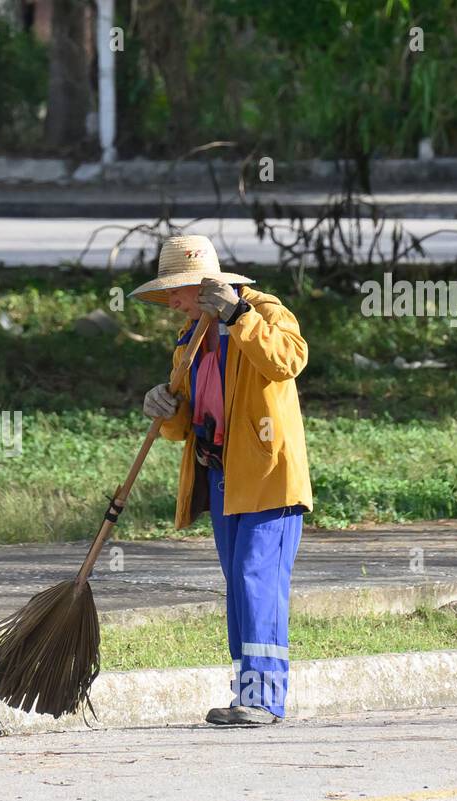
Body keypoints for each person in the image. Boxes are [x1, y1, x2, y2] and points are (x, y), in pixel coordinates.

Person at [131, 235, 313, 726]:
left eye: (176, 290)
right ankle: (246, 694)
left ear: (202, 283)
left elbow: (288, 361)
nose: (170, 301)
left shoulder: (263, 310)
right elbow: (182, 418)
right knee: (238, 584)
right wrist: (161, 406)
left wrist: (238, 317)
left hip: (267, 474)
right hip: (220, 472)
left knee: (258, 579)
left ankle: (266, 700)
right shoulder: (190, 337)